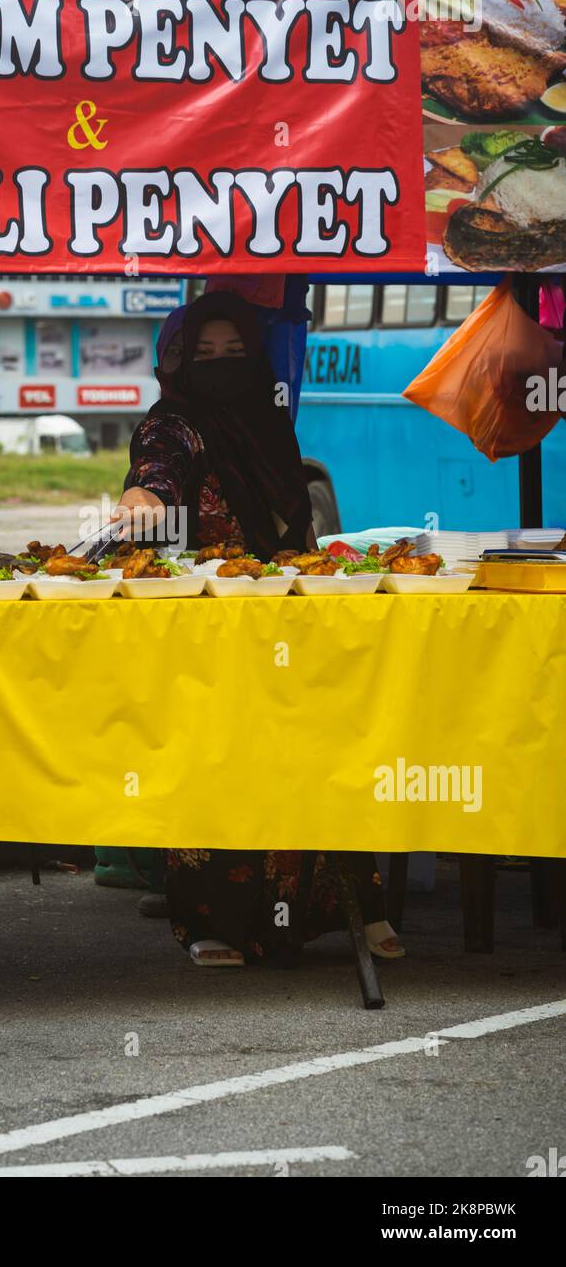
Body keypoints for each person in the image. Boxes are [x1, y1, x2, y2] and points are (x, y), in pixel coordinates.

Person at [110, 289, 404, 965]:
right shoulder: (172, 420)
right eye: (203, 354)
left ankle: (355, 909)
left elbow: (294, 517)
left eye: (235, 352)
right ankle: (213, 925)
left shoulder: (272, 422)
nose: (220, 365)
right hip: (209, 626)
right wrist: (146, 495)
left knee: (320, 753)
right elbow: (160, 461)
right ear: (177, 364)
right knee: (219, 762)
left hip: (290, 615)